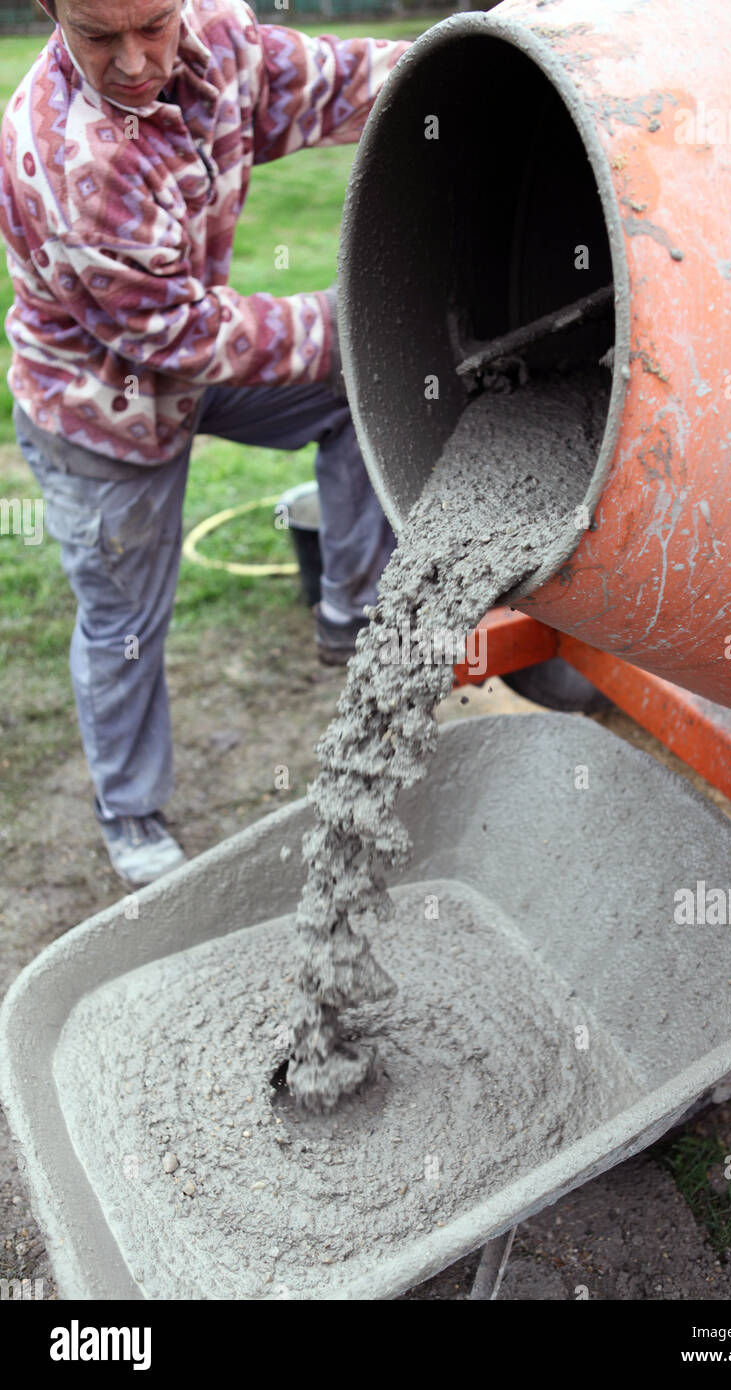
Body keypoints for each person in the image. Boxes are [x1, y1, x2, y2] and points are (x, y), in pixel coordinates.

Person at [0, 0, 409, 887]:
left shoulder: (218, 37)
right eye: (100, 37)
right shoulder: (71, 157)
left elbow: (326, 85)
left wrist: (466, 67)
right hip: (100, 410)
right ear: (48, 12)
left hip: (185, 355)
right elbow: (176, 339)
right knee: (123, 625)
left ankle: (352, 609)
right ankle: (131, 813)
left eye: (152, 24)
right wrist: (361, 321)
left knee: (355, 393)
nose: (138, 61)